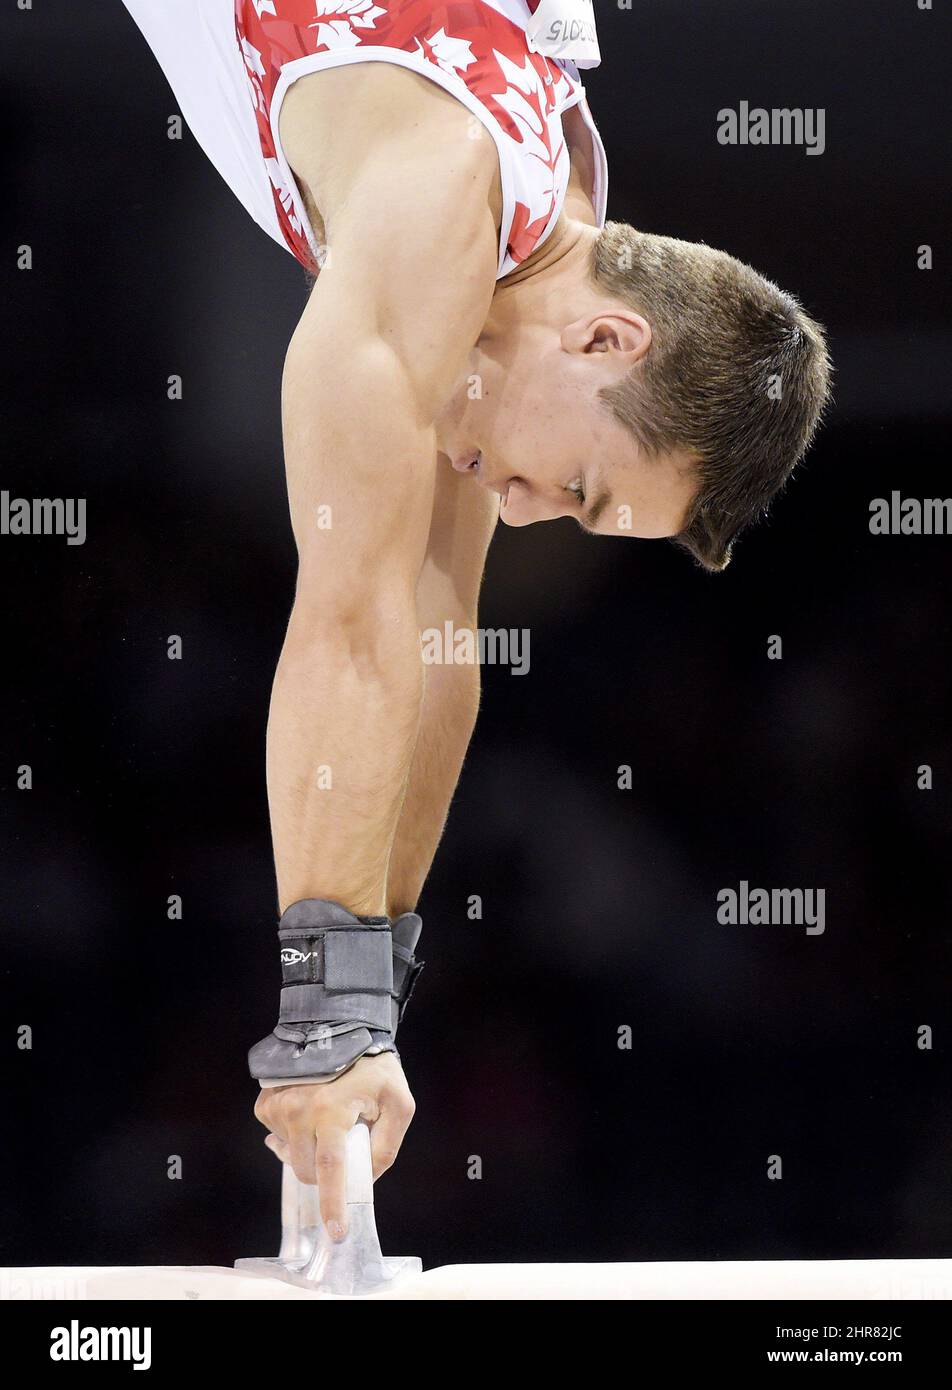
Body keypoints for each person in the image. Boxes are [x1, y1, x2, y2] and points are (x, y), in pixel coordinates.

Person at [122, 0, 831, 1243]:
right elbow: (346, 622)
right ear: (609, 337)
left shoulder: (547, 234)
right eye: (579, 487)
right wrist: (323, 1020)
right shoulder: (438, 192)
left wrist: (365, 1005)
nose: (521, 506)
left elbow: (436, 642)